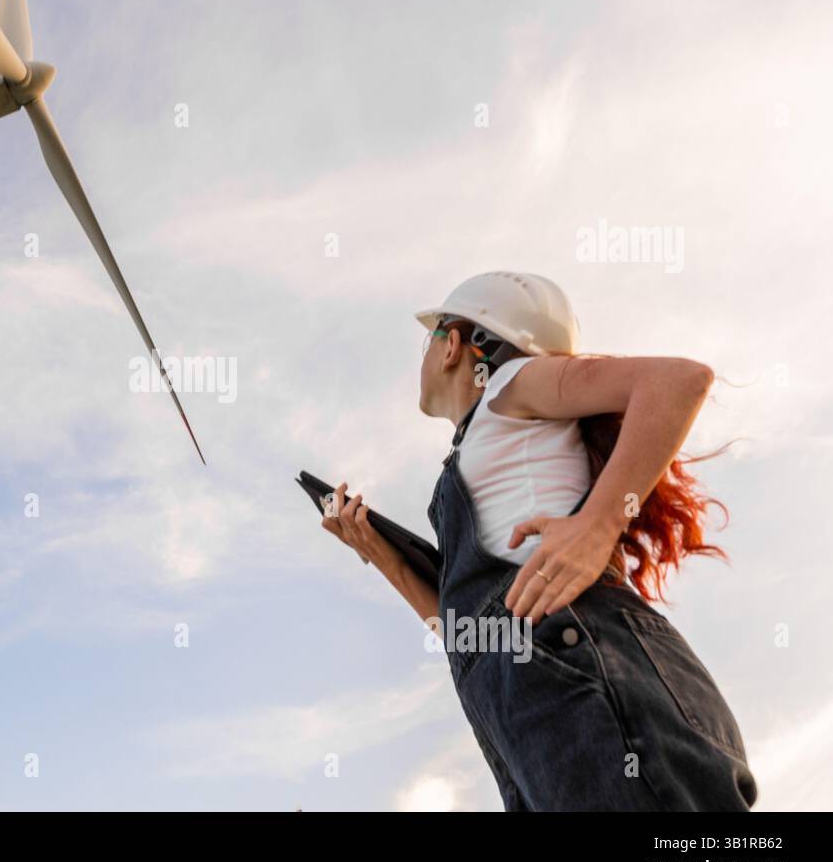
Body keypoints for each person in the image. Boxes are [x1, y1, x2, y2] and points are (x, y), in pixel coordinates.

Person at [321, 270, 758, 811]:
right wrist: (382, 557)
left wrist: (599, 526)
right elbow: (469, 635)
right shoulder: (476, 451)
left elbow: (679, 381)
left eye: (429, 338)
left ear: (453, 342)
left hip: (584, 675)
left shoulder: (513, 383)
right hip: (533, 714)